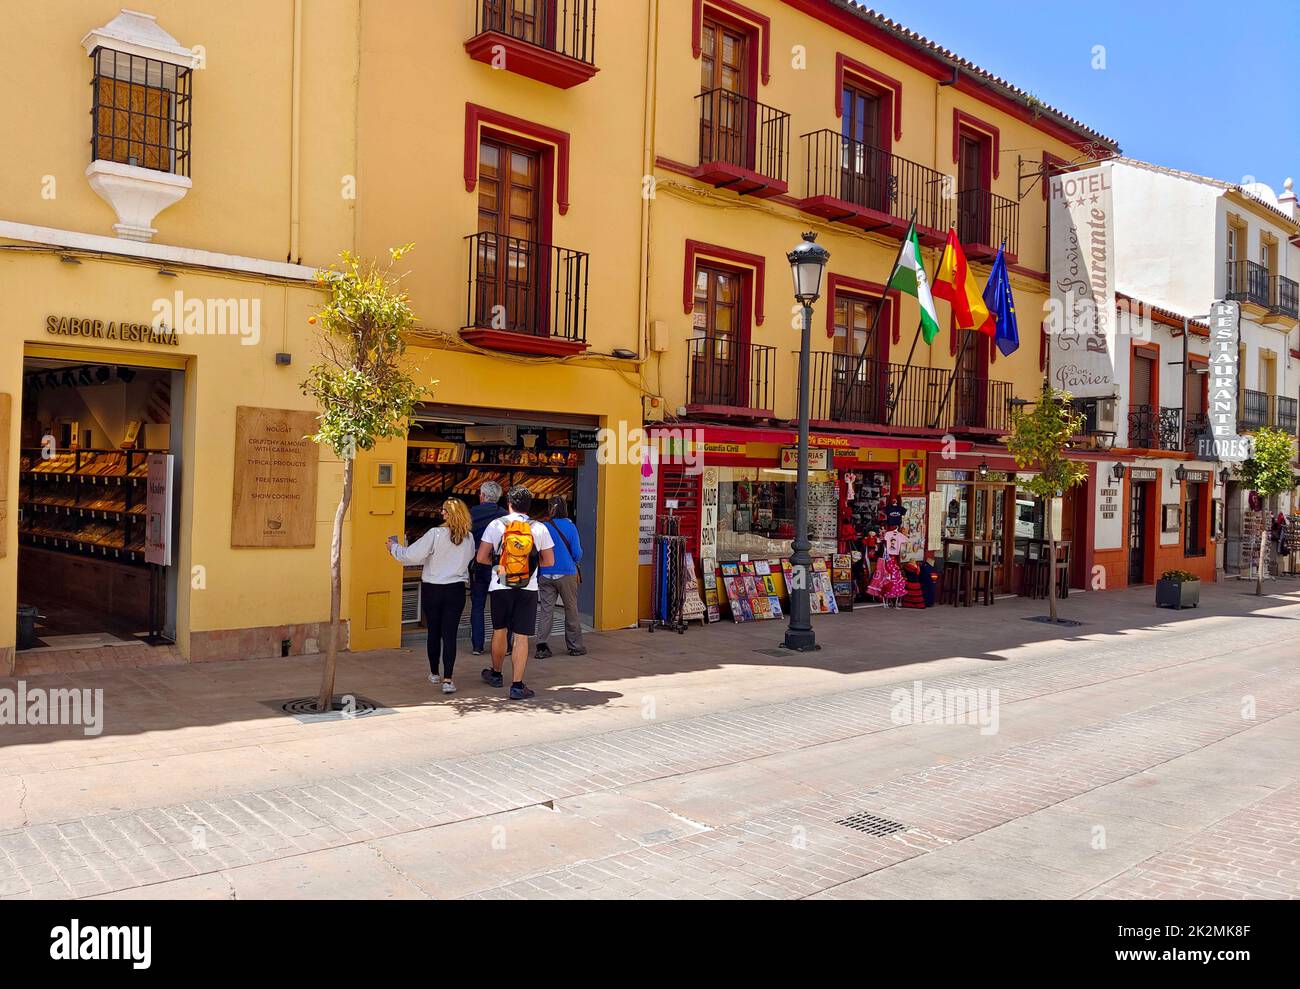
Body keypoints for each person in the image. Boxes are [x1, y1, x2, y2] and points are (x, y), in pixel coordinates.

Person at [387, 497, 475, 694]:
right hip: (456, 589)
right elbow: (469, 559)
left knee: (434, 632)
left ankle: (435, 672)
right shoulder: (468, 538)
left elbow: (411, 555)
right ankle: (448, 679)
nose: (441, 513)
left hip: (433, 588)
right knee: (450, 635)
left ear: (449, 513)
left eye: (443, 510)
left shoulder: (435, 534)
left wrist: (393, 547)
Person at [476, 485, 555, 700]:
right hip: (527, 586)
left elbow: (481, 558)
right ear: (529, 506)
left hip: (500, 583)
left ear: (508, 504)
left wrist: (501, 569)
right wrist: (527, 568)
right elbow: (549, 561)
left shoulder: (496, 525)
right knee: (521, 636)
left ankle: (496, 673)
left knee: (500, 629)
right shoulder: (539, 528)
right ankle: (517, 685)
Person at [535, 495, 585, 659]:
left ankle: (542, 646)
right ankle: (575, 646)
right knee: (571, 609)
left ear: (550, 509)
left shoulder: (543, 526)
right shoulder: (570, 527)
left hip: (545, 573)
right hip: (566, 573)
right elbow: (577, 553)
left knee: (546, 610)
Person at [468, 480, 507, 656]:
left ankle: (478, 645)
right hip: (501, 566)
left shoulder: (471, 513)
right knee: (504, 603)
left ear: (482, 496)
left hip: (479, 563)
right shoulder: (505, 516)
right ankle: (505, 644)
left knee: (478, 603)